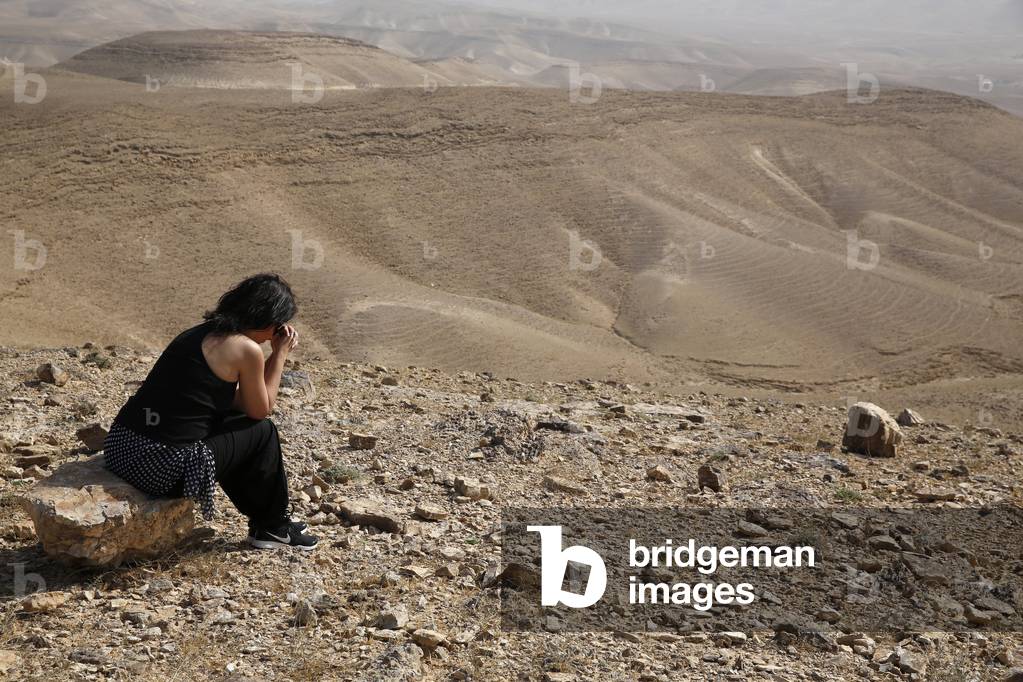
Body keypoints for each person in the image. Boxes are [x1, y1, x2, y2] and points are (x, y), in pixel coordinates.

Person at [103, 273, 318, 550]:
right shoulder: (246, 348)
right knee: (262, 432)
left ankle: (268, 521)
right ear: (267, 321)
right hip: (162, 469)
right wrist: (279, 354)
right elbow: (260, 410)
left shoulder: (199, 333)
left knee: (235, 426)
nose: (274, 336)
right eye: (277, 327)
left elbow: (233, 402)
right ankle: (273, 527)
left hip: (121, 448)